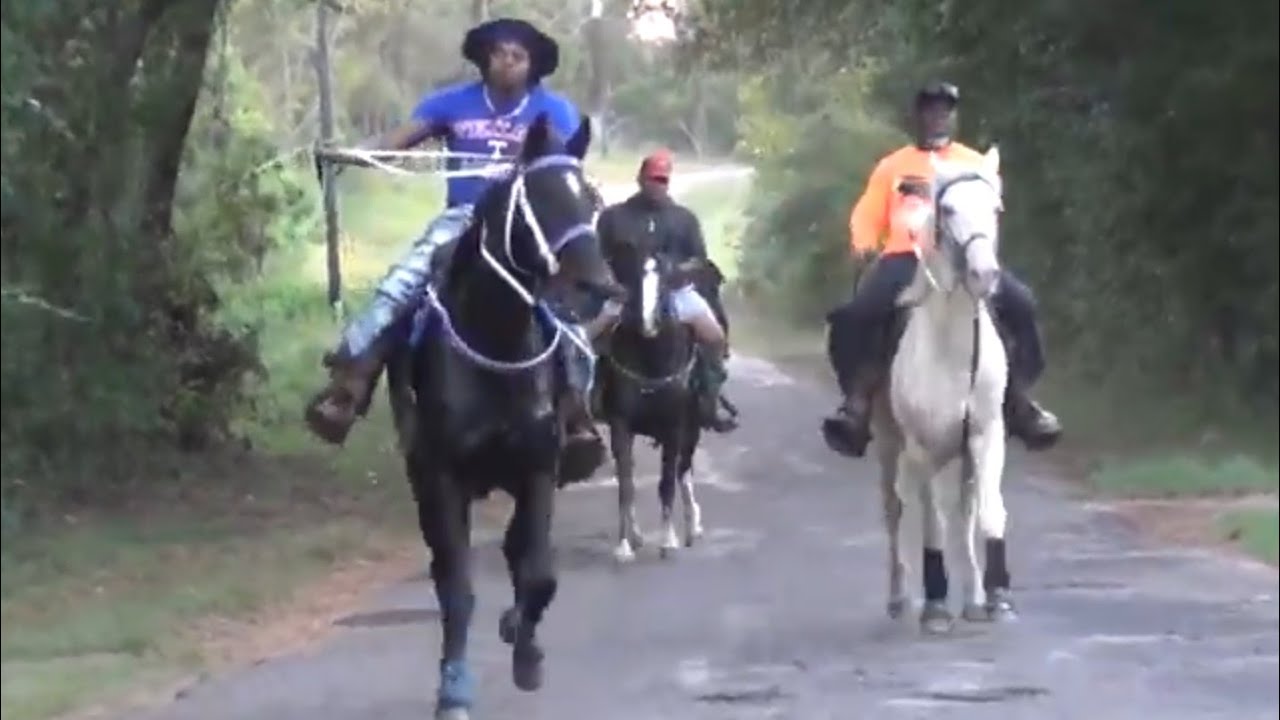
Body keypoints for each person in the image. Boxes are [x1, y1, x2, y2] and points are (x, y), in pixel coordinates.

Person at [304, 18, 598, 446]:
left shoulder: (555, 112)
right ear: (484, 58)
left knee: (563, 302)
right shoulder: (451, 103)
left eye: (517, 56)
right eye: (498, 53)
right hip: (462, 220)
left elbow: (565, 169)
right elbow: (392, 144)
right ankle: (349, 385)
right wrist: (347, 154)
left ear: (532, 65)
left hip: (524, 226)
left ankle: (575, 410)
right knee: (400, 287)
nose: (506, 61)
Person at [821, 81, 1062, 458]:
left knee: (1022, 305)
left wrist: (982, 247)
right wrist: (864, 242)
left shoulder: (974, 163)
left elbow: (988, 211)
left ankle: (1020, 400)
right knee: (855, 316)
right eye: (930, 111)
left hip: (962, 258)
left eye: (945, 111)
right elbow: (867, 212)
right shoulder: (893, 166)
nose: (938, 118)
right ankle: (857, 403)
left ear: (953, 117)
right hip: (905, 255)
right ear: (917, 117)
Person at [595, 150, 738, 433]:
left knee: (715, 336)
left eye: (662, 180)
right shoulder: (613, 217)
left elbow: (699, 259)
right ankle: (590, 398)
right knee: (587, 336)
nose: (657, 185)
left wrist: (679, 271)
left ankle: (710, 397)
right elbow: (599, 257)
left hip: (675, 293)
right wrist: (611, 284)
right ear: (640, 178)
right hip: (624, 293)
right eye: (652, 179)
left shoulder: (684, 219)